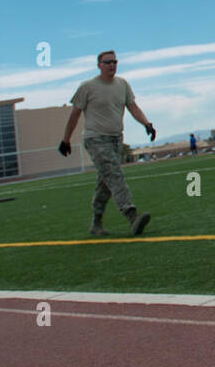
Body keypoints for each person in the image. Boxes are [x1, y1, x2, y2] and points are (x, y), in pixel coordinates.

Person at [60, 51, 156, 236]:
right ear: (99, 65)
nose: (112, 65)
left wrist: (147, 124)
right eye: (107, 62)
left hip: (115, 139)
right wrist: (66, 139)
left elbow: (133, 107)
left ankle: (96, 222)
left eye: (114, 62)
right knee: (114, 174)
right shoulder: (87, 87)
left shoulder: (123, 84)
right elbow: (74, 114)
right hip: (95, 139)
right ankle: (132, 215)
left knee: (105, 181)